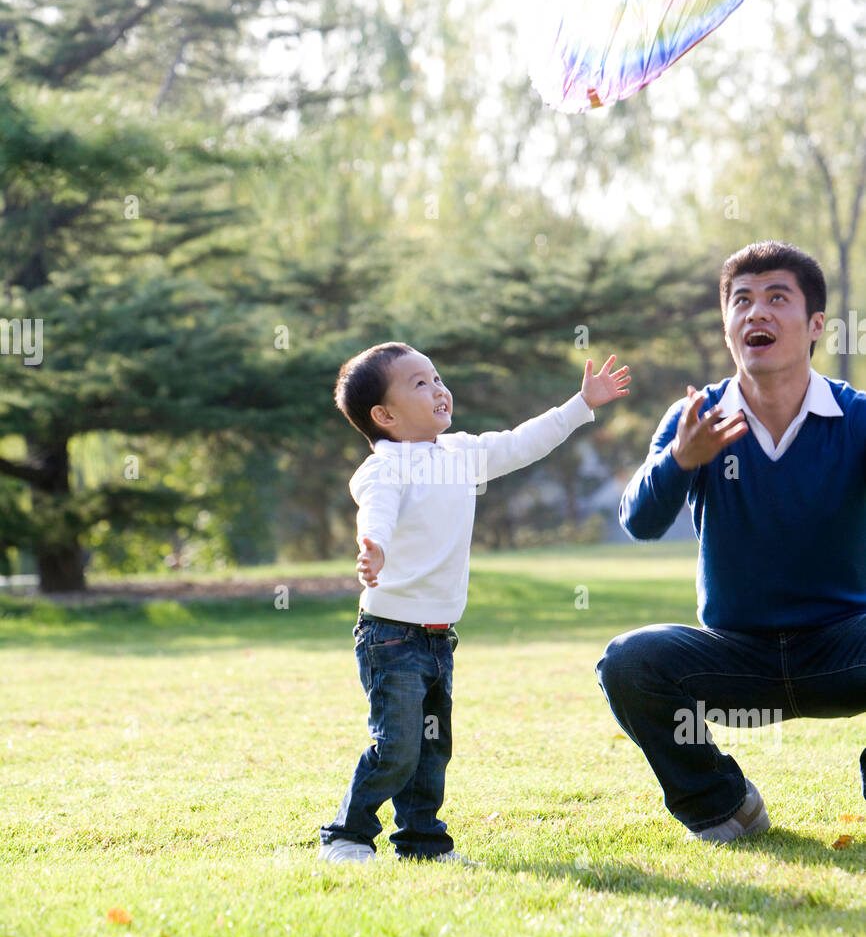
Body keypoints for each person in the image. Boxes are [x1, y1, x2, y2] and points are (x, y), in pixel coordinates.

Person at [596, 239, 866, 844]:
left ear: (816, 324)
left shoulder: (858, 417)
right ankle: (723, 806)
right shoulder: (694, 418)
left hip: (845, 651)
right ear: (727, 326)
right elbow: (638, 520)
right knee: (629, 661)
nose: (757, 314)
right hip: (735, 657)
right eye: (741, 301)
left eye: (777, 298)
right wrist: (680, 460)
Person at [319, 341, 630, 864]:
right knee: (396, 747)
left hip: (439, 637)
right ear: (384, 415)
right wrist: (373, 546)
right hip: (391, 635)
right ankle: (346, 836)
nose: (439, 388)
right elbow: (376, 511)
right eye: (420, 383)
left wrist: (581, 406)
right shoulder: (386, 467)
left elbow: (521, 443)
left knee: (431, 749)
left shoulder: (460, 453)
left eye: (437, 377)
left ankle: (421, 843)